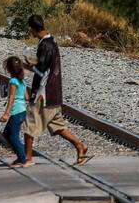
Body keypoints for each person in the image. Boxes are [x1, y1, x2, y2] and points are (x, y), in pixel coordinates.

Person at [22, 14, 90, 166]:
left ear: (32, 28)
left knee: (30, 125)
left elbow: (42, 71)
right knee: (57, 126)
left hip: (43, 94)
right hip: (54, 93)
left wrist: (27, 66)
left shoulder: (45, 45)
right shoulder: (51, 41)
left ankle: (27, 158)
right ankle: (80, 146)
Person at [0, 55, 28, 167]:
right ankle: (20, 157)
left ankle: (22, 158)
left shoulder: (13, 81)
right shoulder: (22, 81)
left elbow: (11, 98)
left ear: (9, 69)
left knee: (13, 136)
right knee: (7, 134)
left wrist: (6, 114)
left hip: (16, 111)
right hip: (22, 111)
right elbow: (26, 97)